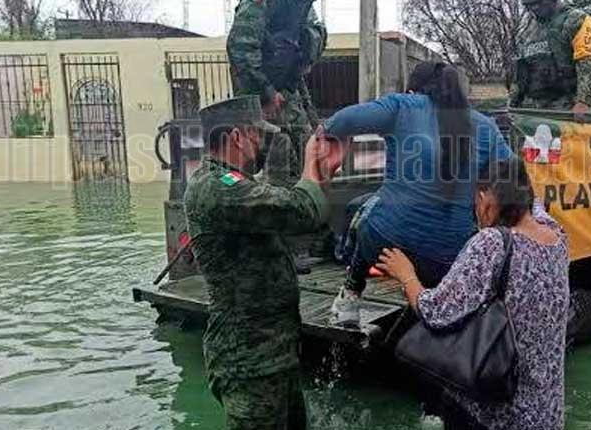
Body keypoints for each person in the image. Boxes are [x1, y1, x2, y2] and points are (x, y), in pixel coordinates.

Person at [183, 95, 344, 430]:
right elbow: (299, 210)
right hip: (249, 364)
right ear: (236, 138)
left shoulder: (236, 182)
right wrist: (310, 162)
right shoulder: (217, 187)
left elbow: (298, 215)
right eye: (256, 134)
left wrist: (320, 175)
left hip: (276, 354)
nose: (261, 142)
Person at [377, 158, 570, 430]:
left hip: (497, 416)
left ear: (485, 200)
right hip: (546, 415)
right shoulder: (557, 237)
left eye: (477, 202)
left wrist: (406, 274)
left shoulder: (492, 243)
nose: (477, 212)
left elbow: (436, 311)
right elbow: (535, 207)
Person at [326, 62, 513, 327]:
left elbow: (339, 122)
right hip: (451, 257)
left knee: (362, 212)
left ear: (414, 91)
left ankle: (350, 294)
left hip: (387, 242)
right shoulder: (486, 126)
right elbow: (514, 176)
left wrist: (336, 143)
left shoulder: (402, 106)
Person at [227, 0, 343, 183]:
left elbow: (301, 53)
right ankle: (279, 212)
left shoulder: (301, 1)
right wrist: (266, 93)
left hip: (287, 89)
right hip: (259, 95)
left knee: (309, 148)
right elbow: (240, 46)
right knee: (278, 160)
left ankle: (298, 207)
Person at [510, 0, 591, 117]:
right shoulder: (527, 31)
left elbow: (588, 63)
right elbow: (521, 75)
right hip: (532, 110)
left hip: (566, 108)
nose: (535, 8)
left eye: (539, 2)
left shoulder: (576, 20)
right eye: (530, 5)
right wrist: (512, 105)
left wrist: (584, 103)